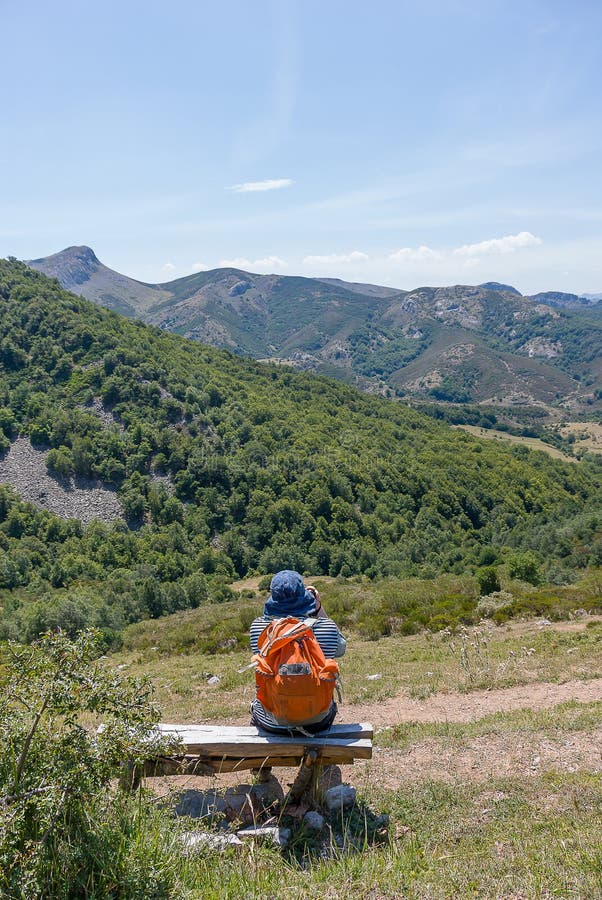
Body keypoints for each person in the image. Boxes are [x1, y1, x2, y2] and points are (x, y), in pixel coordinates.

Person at [249, 570, 346, 734]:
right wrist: (318, 607)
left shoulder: (258, 628)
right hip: (317, 720)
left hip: (271, 722)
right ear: (305, 597)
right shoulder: (327, 626)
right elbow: (341, 647)